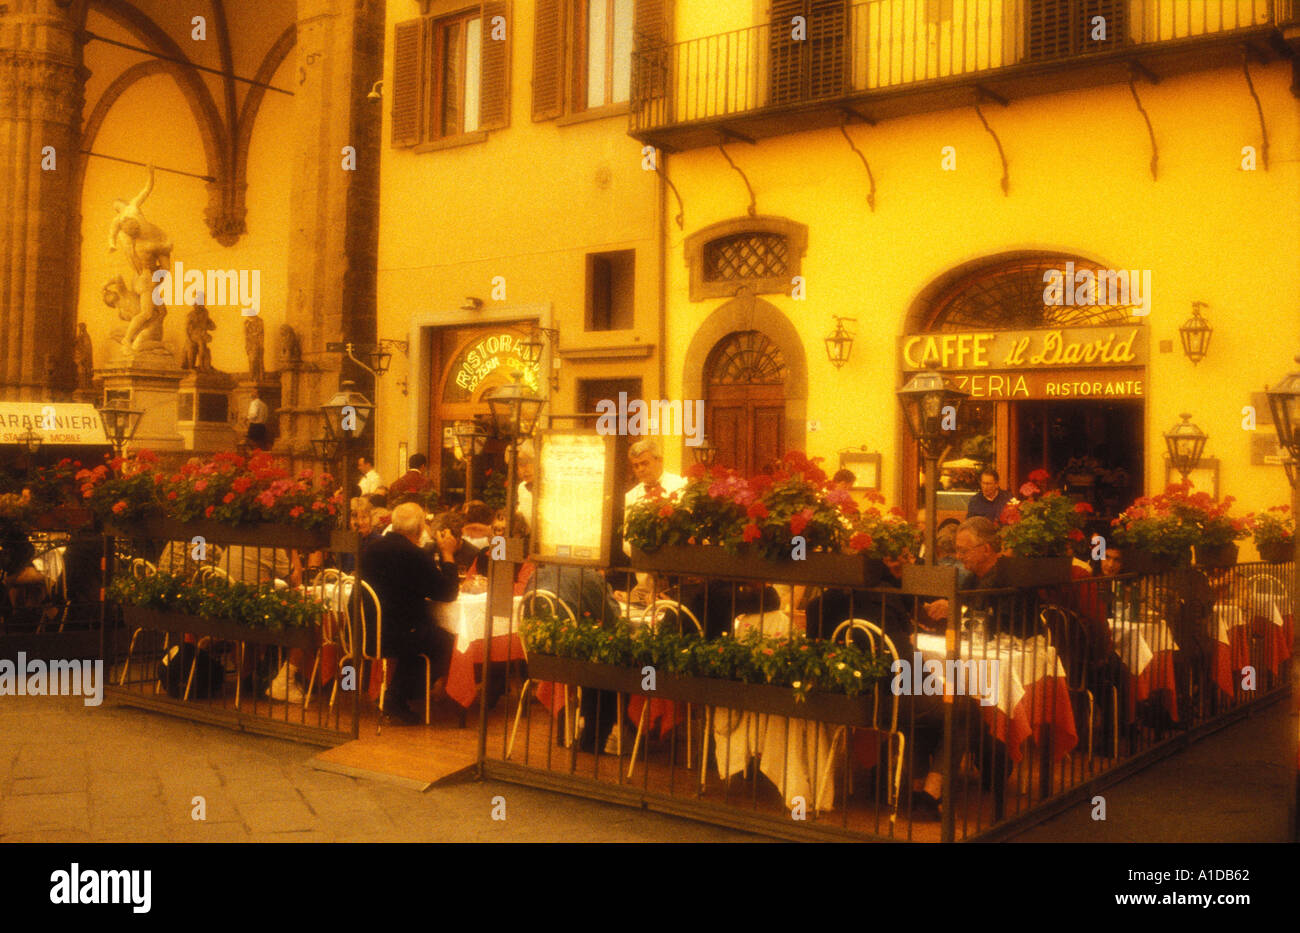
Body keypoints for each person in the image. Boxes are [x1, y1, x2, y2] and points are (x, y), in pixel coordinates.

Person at [359, 502, 461, 724]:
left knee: (424, 635)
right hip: (395, 635)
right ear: (419, 529)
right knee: (442, 639)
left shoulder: (370, 549)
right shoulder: (414, 555)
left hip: (365, 630)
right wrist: (448, 555)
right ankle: (396, 698)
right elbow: (447, 593)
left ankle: (396, 695)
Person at [621, 438, 687, 603]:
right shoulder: (630, 497)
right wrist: (646, 556)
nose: (640, 469)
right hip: (644, 579)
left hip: (677, 574)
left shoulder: (680, 486)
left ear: (660, 461)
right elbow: (626, 538)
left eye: (645, 463)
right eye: (636, 466)